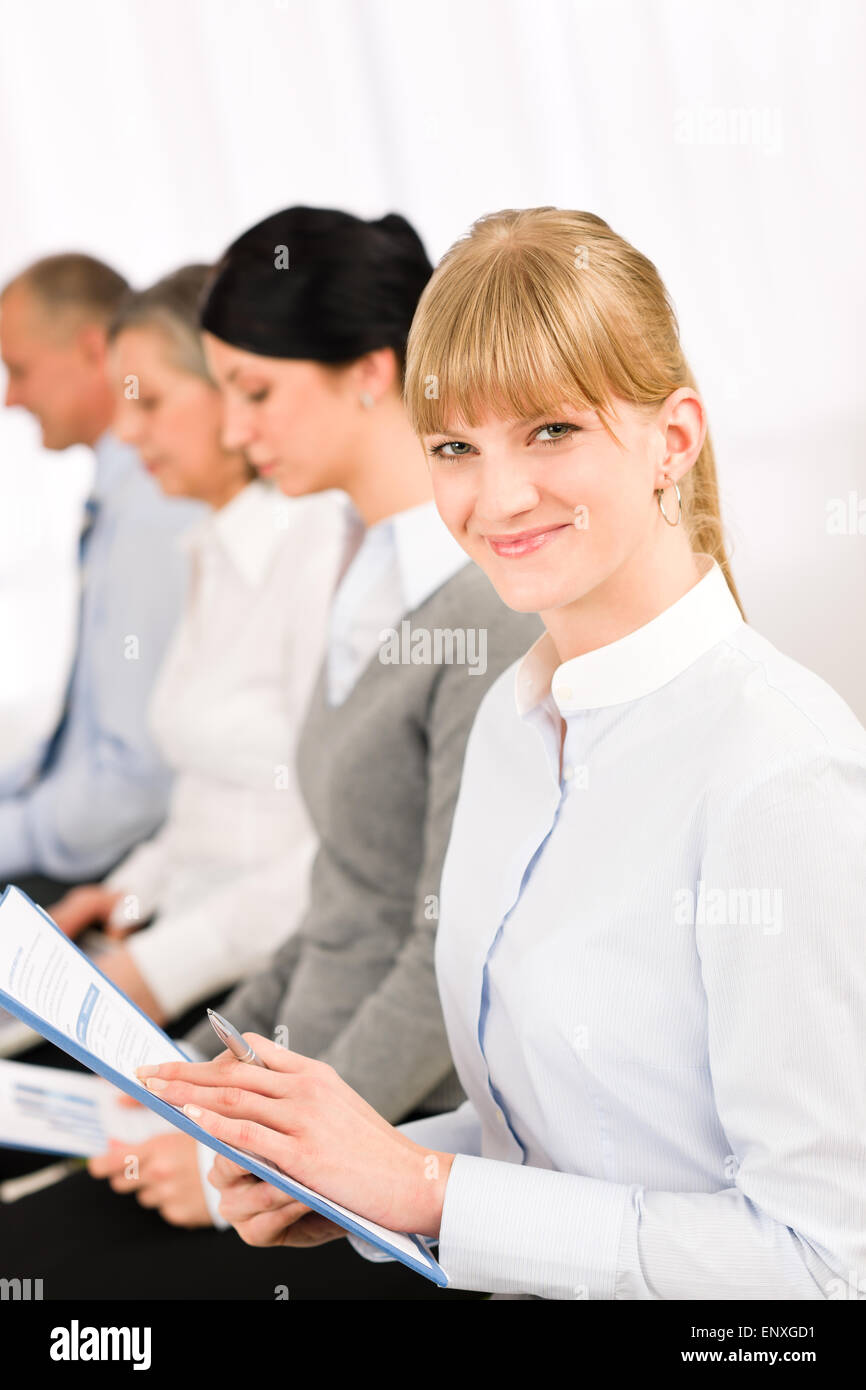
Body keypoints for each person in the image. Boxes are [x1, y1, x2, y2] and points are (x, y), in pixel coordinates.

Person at [145, 207, 866, 1302]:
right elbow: (547, 1141)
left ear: (673, 437)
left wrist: (425, 1185)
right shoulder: (512, 723)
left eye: (549, 431)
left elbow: (820, 1263)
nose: (496, 498)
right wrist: (344, 1184)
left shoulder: (779, 777)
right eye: (452, 449)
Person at [0, 208, 539, 1301]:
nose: (235, 431)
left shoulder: (475, 601)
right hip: (302, 1082)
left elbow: (437, 962)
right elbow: (339, 902)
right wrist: (205, 1088)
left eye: (255, 391)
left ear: (366, 374)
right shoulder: (353, 564)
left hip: (359, 1127)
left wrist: (242, 1146)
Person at [45, 264, 343, 1029]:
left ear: (230, 387)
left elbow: (334, 855)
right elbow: (204, 801)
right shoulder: (208, 549)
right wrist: (130, 890)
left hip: (252, 986)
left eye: (149, 400)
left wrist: (156, 968)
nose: (127, 429)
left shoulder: (316, 555)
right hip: (178, 949)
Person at [0, 254, 201, 895]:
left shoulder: (152, 502)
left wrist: (14, 832)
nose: (11, 397)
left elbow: (132, 780)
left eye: (19, 369)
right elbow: (88, 742)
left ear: (93, 350)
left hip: (112, 864)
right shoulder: (124, 494)